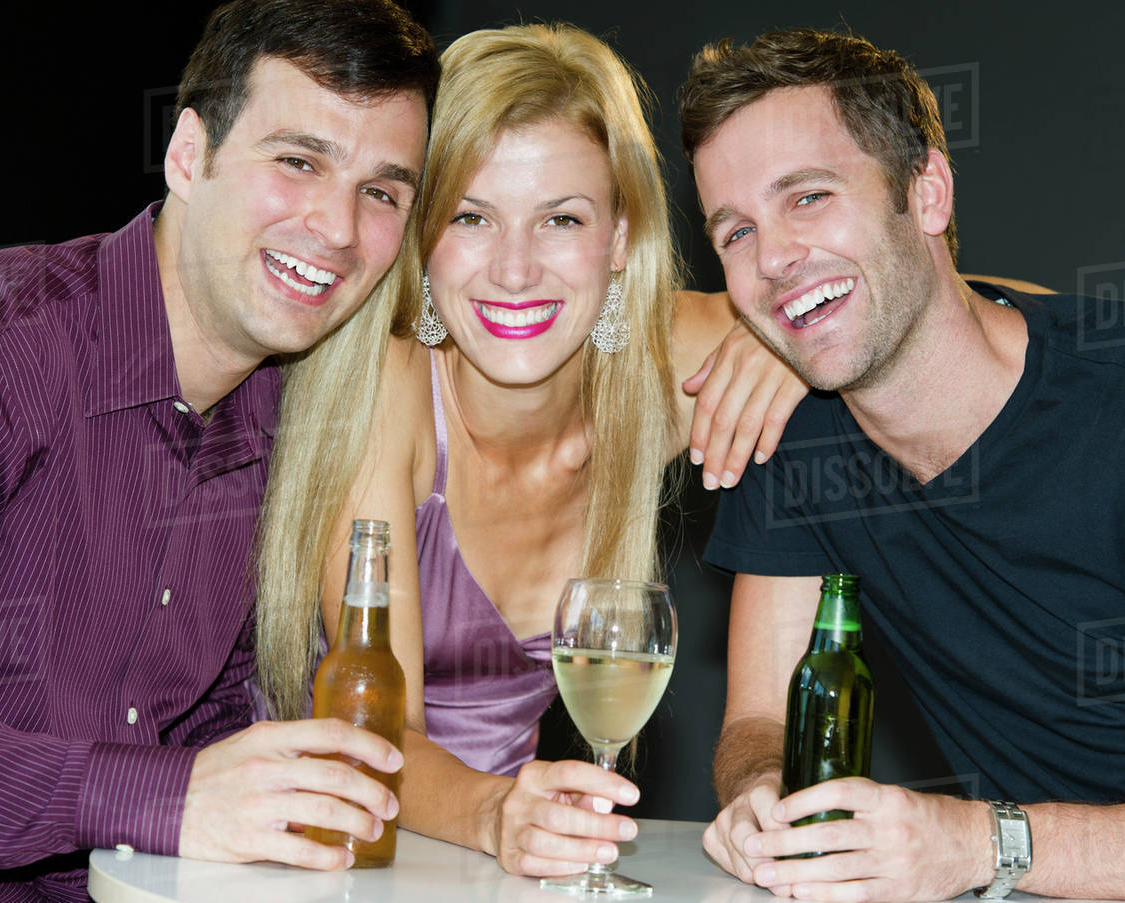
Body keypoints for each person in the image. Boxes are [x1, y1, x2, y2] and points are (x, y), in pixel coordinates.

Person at [253, 22, 812, 879]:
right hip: (304, 862)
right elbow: (378, 732)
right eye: (472, 217)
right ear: (422, 235)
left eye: (561, 219)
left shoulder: (667, 364)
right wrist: (495, 812)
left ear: (619, 237)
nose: (514, 271)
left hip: (496, 874)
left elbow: (960, 315)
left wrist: (805, 335)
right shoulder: (385, 390)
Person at [0, 2, 438, 899]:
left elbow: (199, 716)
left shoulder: (286, 418)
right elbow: (172, 789)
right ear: (187, 155)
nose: (338, 227)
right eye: (298, 161)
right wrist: (163, 797)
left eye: (381, 192)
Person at [682, 27, 1125, 902]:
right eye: (736, 231)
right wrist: (761, 796)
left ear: (927, 191)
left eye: (809, 197)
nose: (773, 258)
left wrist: (983, 844)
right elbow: (758, 717)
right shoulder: (794, 427)